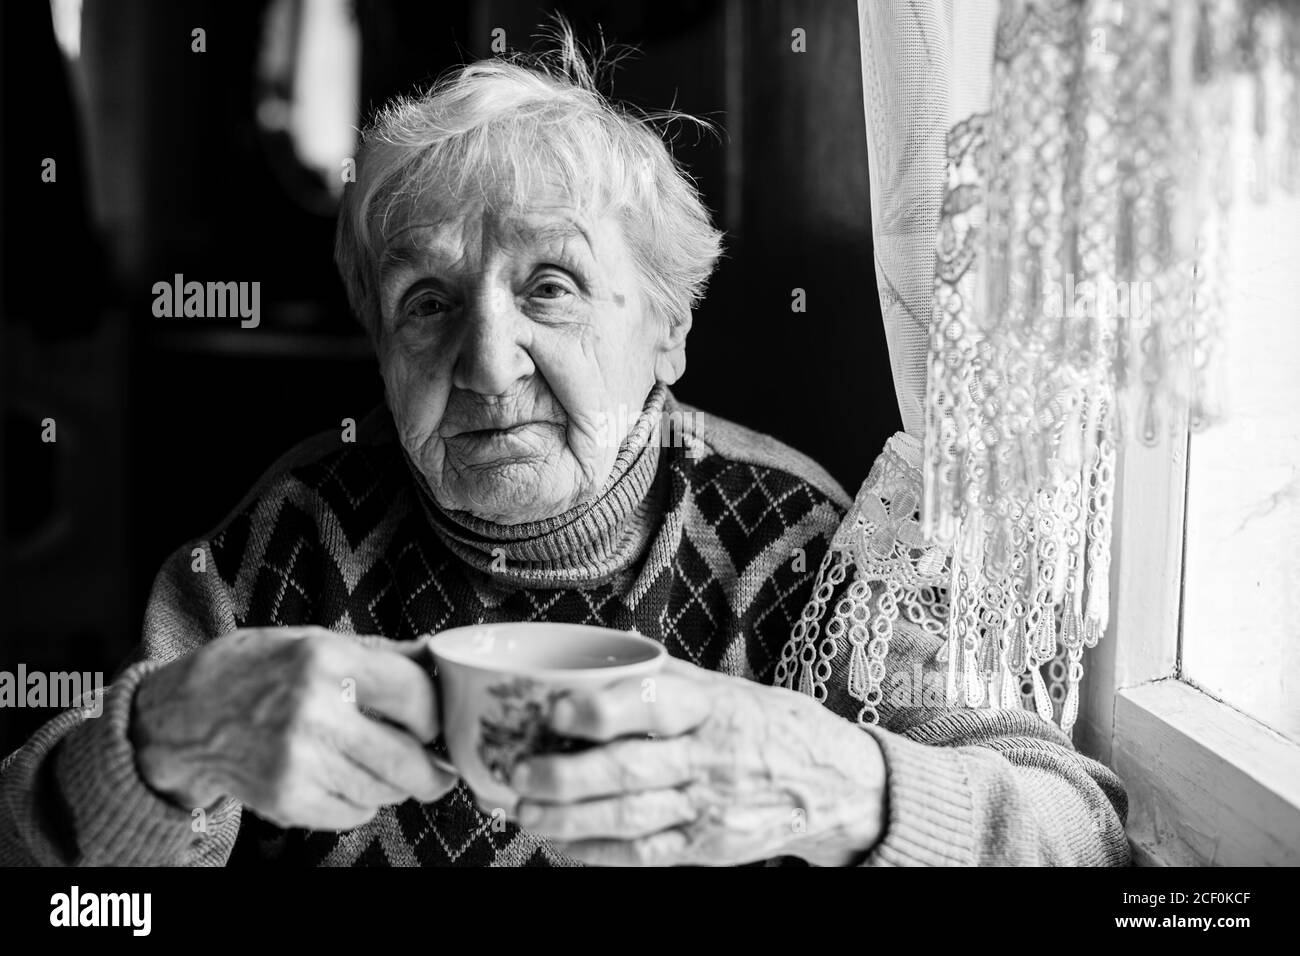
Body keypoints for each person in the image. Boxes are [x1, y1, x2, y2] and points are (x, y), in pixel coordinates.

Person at [0, 35, 1128, 867]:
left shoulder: (805, 550)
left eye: (551, 285)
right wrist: (168, 743)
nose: (489, 364)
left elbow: (1082, 837)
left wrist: (847, 783)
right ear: (381, 344)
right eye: (427, 302)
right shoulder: (281, 544)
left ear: (668, 327)